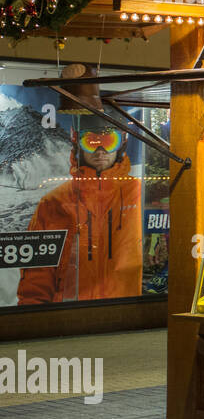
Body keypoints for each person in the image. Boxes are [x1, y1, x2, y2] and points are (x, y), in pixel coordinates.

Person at [18, 126, 142, 304]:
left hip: (127, 313)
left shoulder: (138, 193)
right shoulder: (53, 202)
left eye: (109, 142)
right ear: (78, 145)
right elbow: (37, 274)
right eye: (91, 142)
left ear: (120, 145)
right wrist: (34, 320)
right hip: (69, 316)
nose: (100, 152)